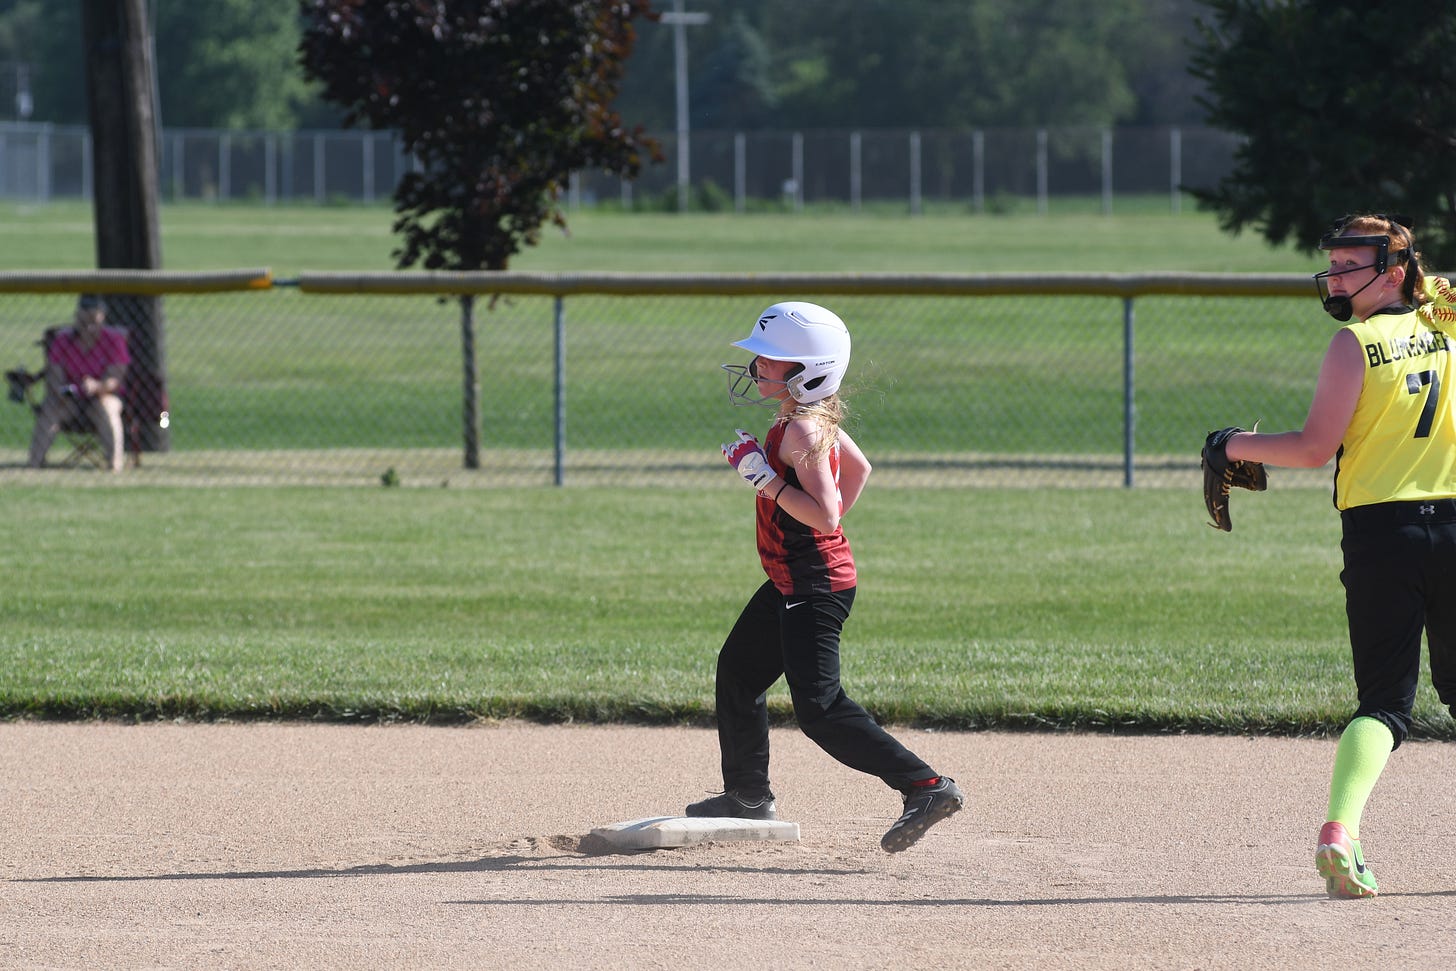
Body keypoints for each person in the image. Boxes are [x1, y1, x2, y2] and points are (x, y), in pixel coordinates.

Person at [1212, 214, 1456, 898]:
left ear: (1393, 271)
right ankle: (1343, 838)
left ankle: (1340, 833)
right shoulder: (1447, 324)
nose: (1337, 276)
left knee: (1383, 704)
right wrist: (1431, 285)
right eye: (1336, 264)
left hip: (1382, 536)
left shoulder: (1355, 344)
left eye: (1352, 265)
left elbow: (1315, 447)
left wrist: (1232, 444)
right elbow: (1441, 299)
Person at [689, 300, 964, 853]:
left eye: (772, 359)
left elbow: (827, 514)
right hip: (799, 579)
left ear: (808, 371)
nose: (758, 366)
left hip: (813, 587)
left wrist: (763, 480)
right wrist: (806, 518)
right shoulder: (807, 423)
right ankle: (747, 796)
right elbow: (859, 470)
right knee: (739, 673)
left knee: (819, 709)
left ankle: (926, 786)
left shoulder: (800, 433)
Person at [27, 294, 131, 472]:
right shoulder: (63, 340)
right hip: (70, 399)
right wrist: (59, 391)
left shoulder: (113, 340)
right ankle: (34, 465)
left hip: (102, 396)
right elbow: (54, 374)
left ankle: (114, 466)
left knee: (106, 408)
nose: (88, 326)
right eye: (84, 320)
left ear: (102, 317)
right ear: (76, 317)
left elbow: (115, 378)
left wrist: (97, 386)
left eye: (93, 320)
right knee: (51, 409)